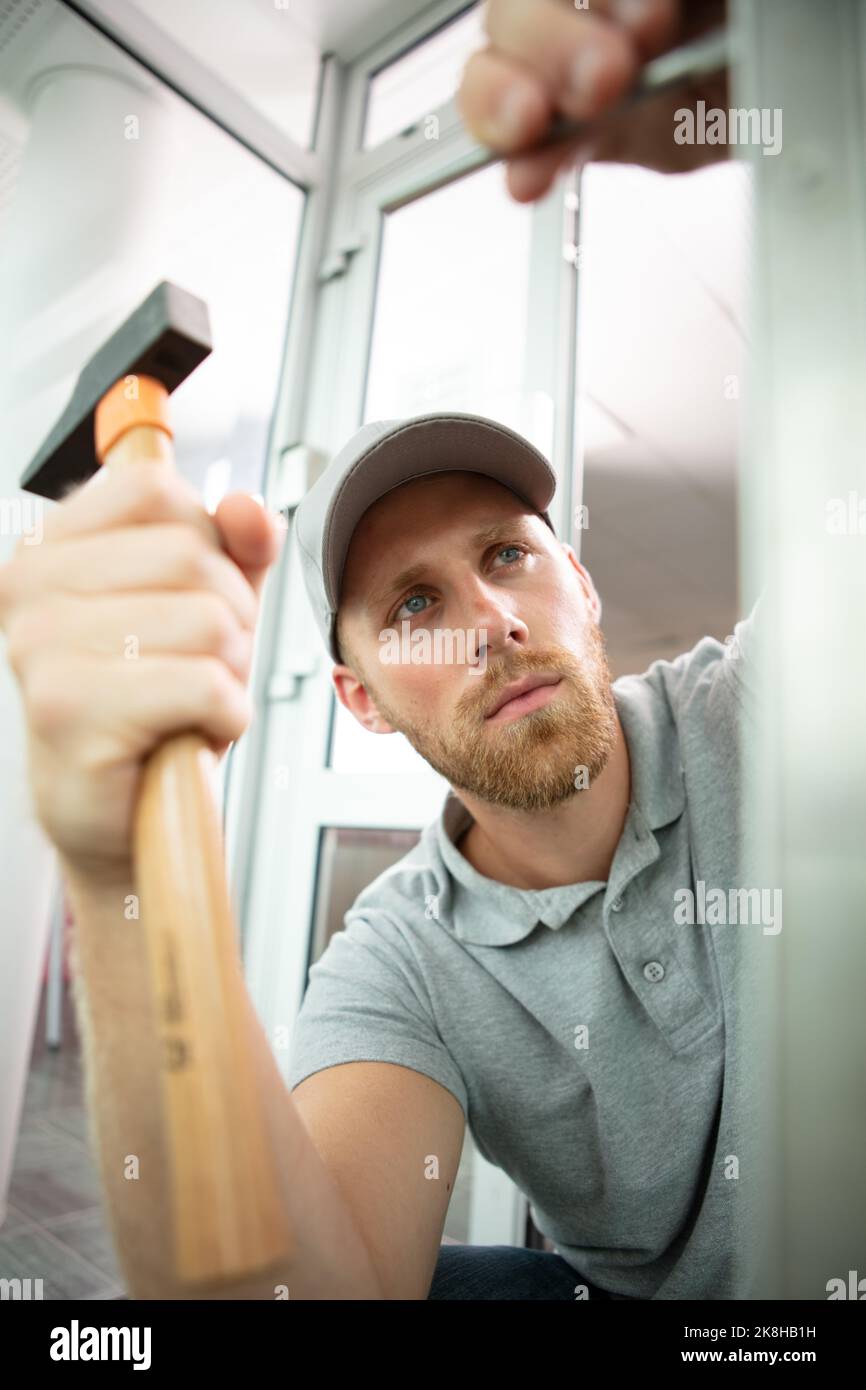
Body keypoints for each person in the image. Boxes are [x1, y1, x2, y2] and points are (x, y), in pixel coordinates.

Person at [0, 0, 758, 1301]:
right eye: (412, 606)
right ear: (354, 699)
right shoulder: (401, 952)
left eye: (508, 554)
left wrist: (815, 83)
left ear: (575, 582)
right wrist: (117, 867)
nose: (487, 616)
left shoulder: (764, 706)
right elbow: (284, 1294)